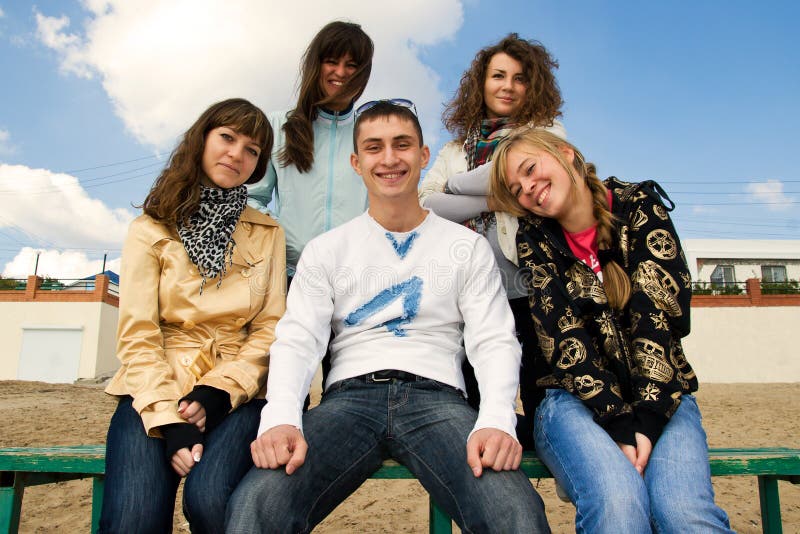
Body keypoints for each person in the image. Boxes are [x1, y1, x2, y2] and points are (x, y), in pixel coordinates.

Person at [226, 101, 550, 533]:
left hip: (439, 401)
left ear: (423, 155)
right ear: (357, 162)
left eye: (402, 144)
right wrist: (281, 417)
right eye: (374, 147)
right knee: (256, 503)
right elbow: (298, 338)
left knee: (515, 511)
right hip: (348, 401)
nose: (390, 158)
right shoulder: (327, 249)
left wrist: (494, 420)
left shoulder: (465, 247)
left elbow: (493, 339)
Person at [489, 127, 733, 533]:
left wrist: (647, 421)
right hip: (573, 401)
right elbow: (564, 337)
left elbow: (661, 314)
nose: (529, 188)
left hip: (663, 397)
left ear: (566, 154)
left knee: (683, 515)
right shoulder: (534, 239)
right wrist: (618, 423)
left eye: (531, 170)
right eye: (517, 189)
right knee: (619, 507)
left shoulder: (639, 206)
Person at [100, 98, 286, 533]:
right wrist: (170, 421)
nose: (237, 154)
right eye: (227, 137)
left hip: (238, 394)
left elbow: (270, 326)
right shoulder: (150, 227)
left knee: (212, 504)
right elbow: (138, 334)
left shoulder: (268, 232)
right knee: (133, 519)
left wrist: (217, 393)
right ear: (201, 139)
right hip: (153, 387)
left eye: (252, 150)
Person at [418, 33, 565, 437]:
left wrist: (457, 188)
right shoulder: (454, 148)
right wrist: (498, 197)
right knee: (473, 404)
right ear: (481, 83)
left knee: (542, 401)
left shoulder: (547, 132)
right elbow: (426, 204)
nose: (508, 86)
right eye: (498, 75)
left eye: (519, 78)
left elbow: (499, 174)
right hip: (468, 292)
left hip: (530, 288)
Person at [248, 20, 373, 278]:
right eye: (332, 61)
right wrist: (281, 237)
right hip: (291, 277)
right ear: (315, 65)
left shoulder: (372, 134)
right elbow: (250, 197)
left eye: (351, 65)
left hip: (356, 279)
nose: (341, 72)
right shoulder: (278, 125)